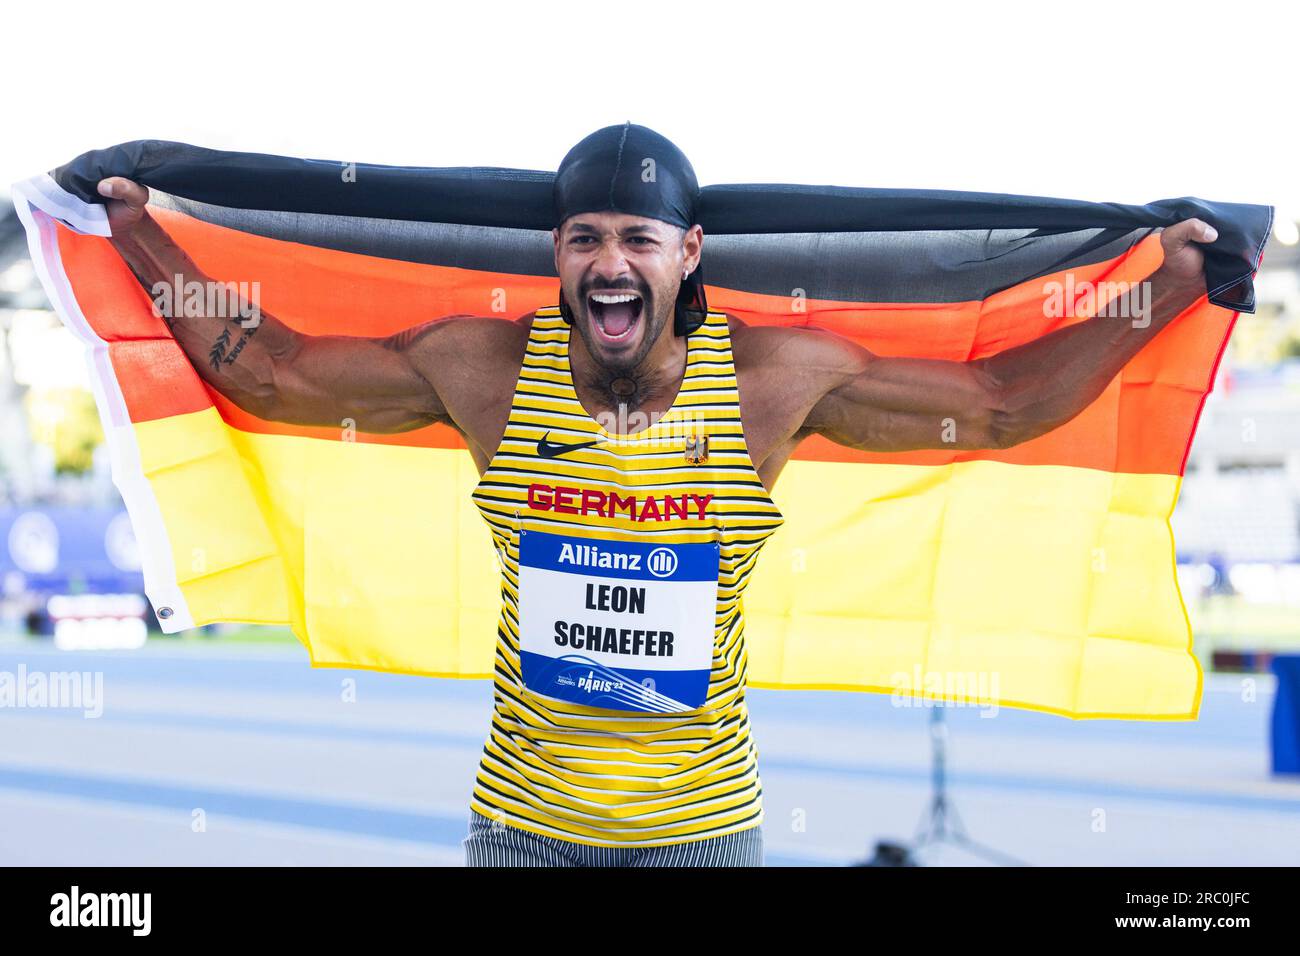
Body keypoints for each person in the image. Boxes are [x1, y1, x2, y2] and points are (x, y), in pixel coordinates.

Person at [96, 123, 1218, 867]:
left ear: (688, 254)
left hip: (702, 835)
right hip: (522, 829)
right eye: (586, 237)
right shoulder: (486, 369)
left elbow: (999, 405)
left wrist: (1167, 284)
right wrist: (134, 225)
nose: (609, 259)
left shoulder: (772, 378)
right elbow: (274, 372)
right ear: (558, 256)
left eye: (637, 237)